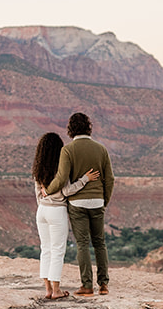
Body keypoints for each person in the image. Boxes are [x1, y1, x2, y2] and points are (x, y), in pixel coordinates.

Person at [46, 112, 114, 297]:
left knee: (83, 243)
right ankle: (104, 285)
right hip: (97, 201)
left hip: (77, 203)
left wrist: (48, 190)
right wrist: (103, 201)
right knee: (100, 243)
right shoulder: (101, 149)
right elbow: (110, 179)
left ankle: (87, 285)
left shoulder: (68, 150)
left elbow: (61, 179)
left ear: (71, 129)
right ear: (89, 127)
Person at [32, 133, 98, 300]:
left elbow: (37, 192)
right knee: (57, 251)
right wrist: (85, 179)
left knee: (45, 249)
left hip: (42, 210)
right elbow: (67, 191)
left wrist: (44, 201)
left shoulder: (38, 168)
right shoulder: (61, 168)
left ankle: (47, 289)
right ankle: (56, 291)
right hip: (57, 211)